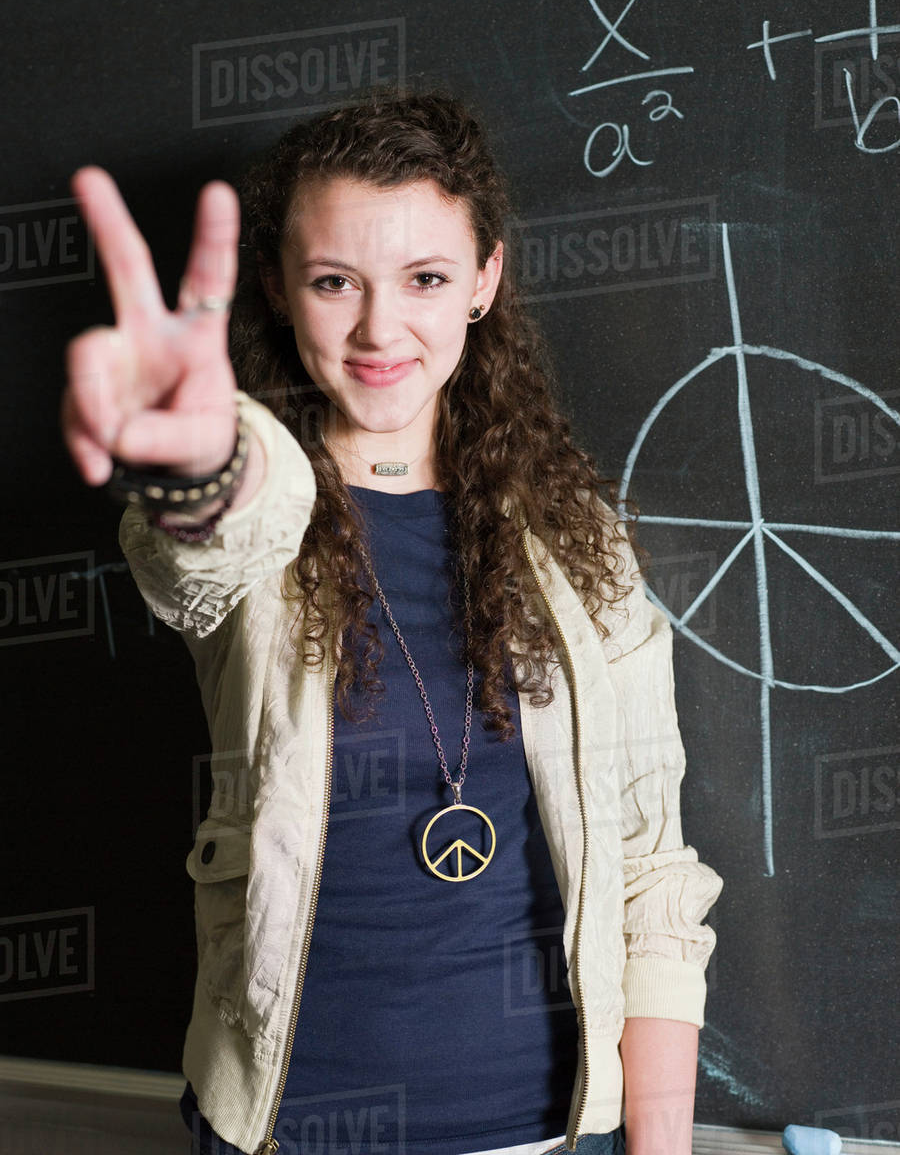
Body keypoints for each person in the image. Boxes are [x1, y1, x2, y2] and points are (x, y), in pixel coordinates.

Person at [60, 86, 723, 1155]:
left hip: (549, 1136)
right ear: (277, 288)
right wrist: (194, 462)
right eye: (334, 282)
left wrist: (658, 1149)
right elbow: (208, 544)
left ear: (484, 281)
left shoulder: (577, 540)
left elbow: (653, 873)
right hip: (288, 1130)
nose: (380, 329)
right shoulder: (259, 508)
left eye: (425, 278)